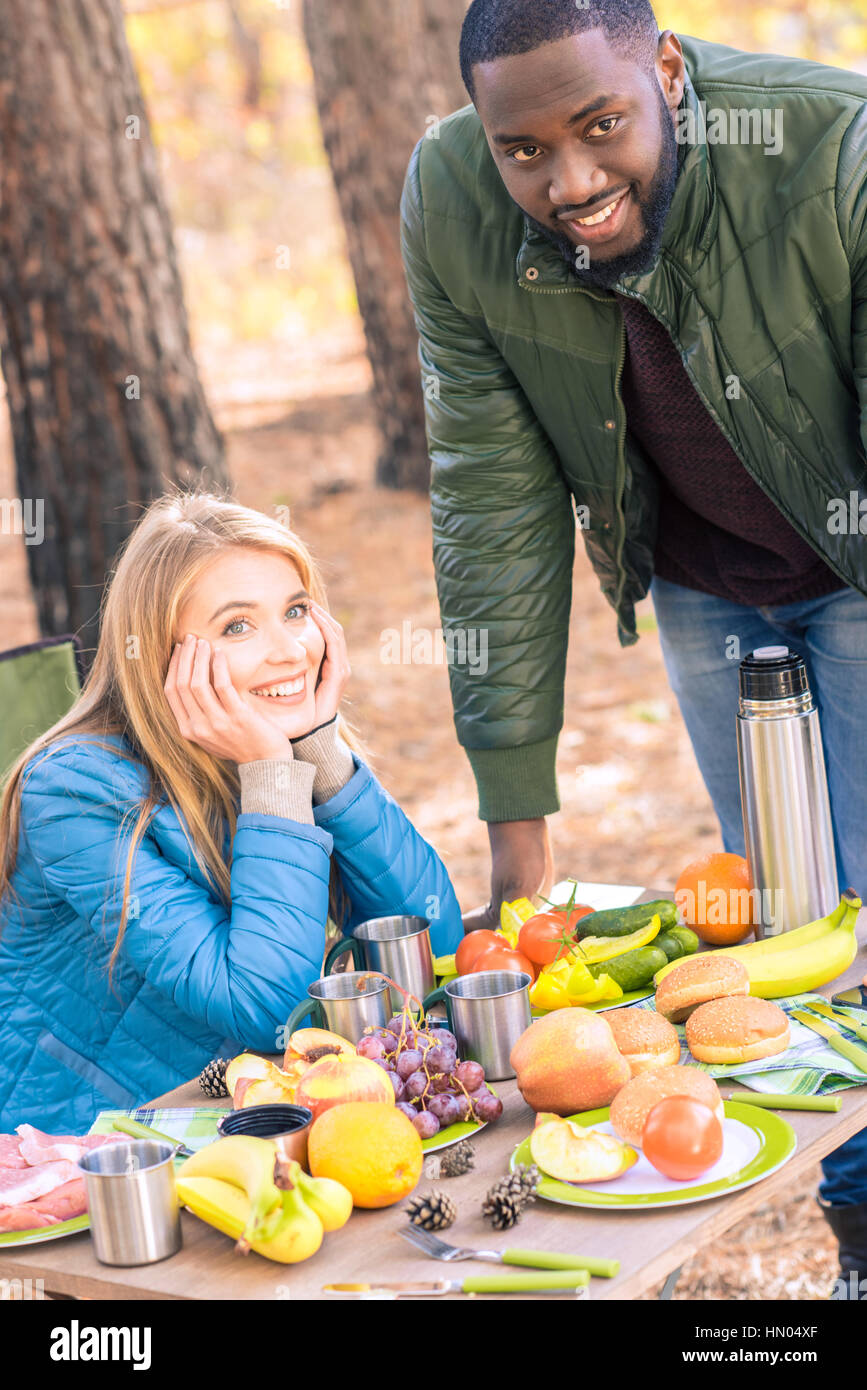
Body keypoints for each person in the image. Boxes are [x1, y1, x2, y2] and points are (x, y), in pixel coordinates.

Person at [399, 0, 867, 1291]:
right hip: (704, 586)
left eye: (600, 127)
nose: (567, 183)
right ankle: (855, 1245)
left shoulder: (830, 151)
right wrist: (519, 852)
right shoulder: (451, 199)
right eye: (523, 150)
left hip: (854, 565)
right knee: (781, 941)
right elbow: (488, 500)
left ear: (664, 68)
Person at [0, 489, 462, 1132]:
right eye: (237, 626)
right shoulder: (74, 792)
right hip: (86, 1145)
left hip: (233, 1120)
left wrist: (322, 757)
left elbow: (432, 945)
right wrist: (275, 777)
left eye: (296, 611)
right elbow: (265, 1007)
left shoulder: (264, 744)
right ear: (164, 655)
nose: (291, 652)